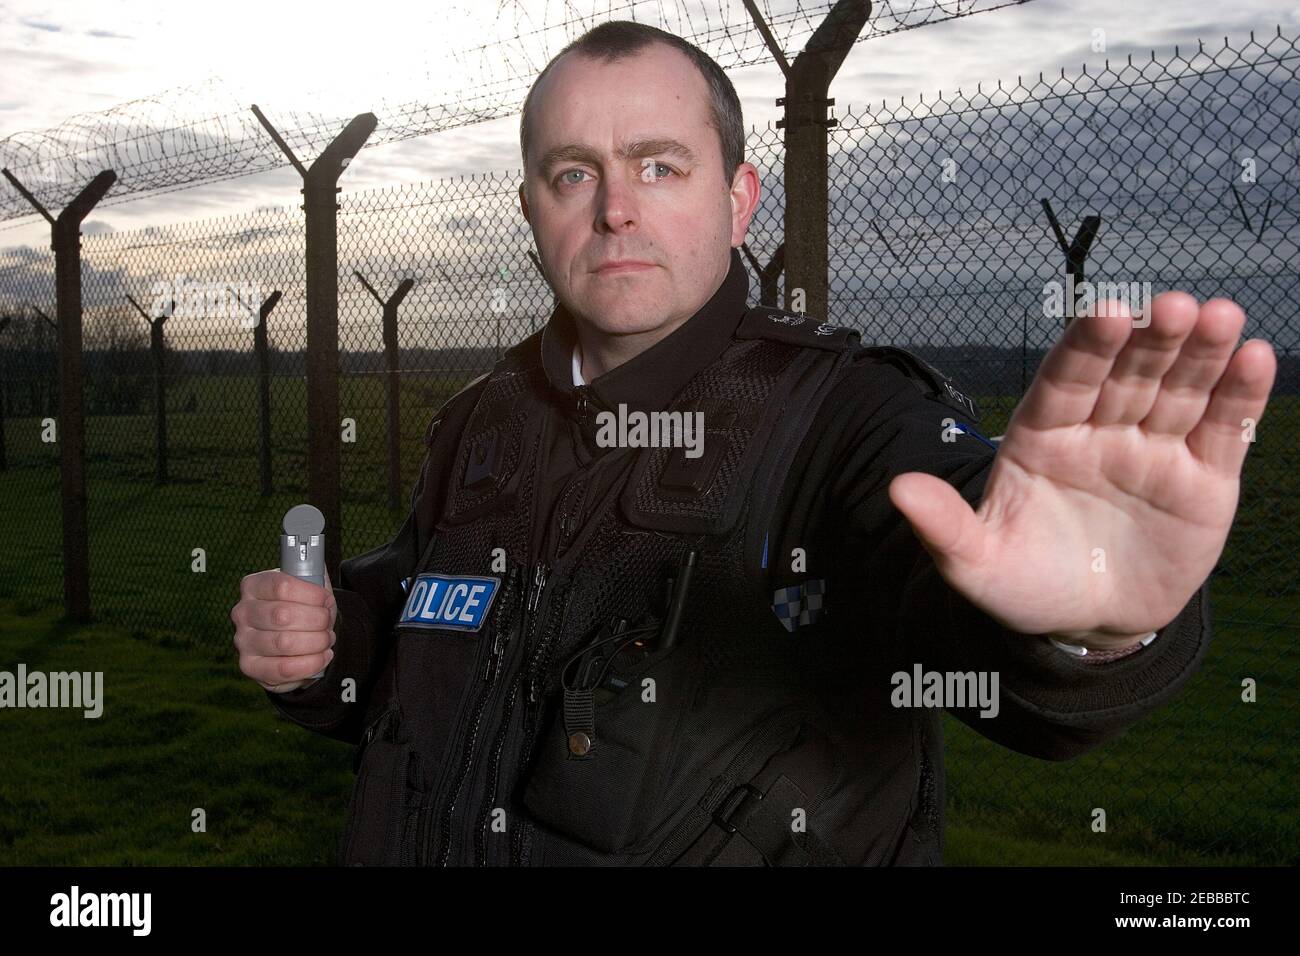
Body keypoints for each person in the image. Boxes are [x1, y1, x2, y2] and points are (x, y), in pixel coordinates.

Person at [230, 21, 1276, 866]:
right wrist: (333, 644)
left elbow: (992, 649)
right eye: (571, 175)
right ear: (530, 209)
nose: (616, 210)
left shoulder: (847, 416)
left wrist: (1085, 623)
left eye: (659, 165)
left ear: (739, 199)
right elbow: (428, 631)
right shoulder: (481, 418)